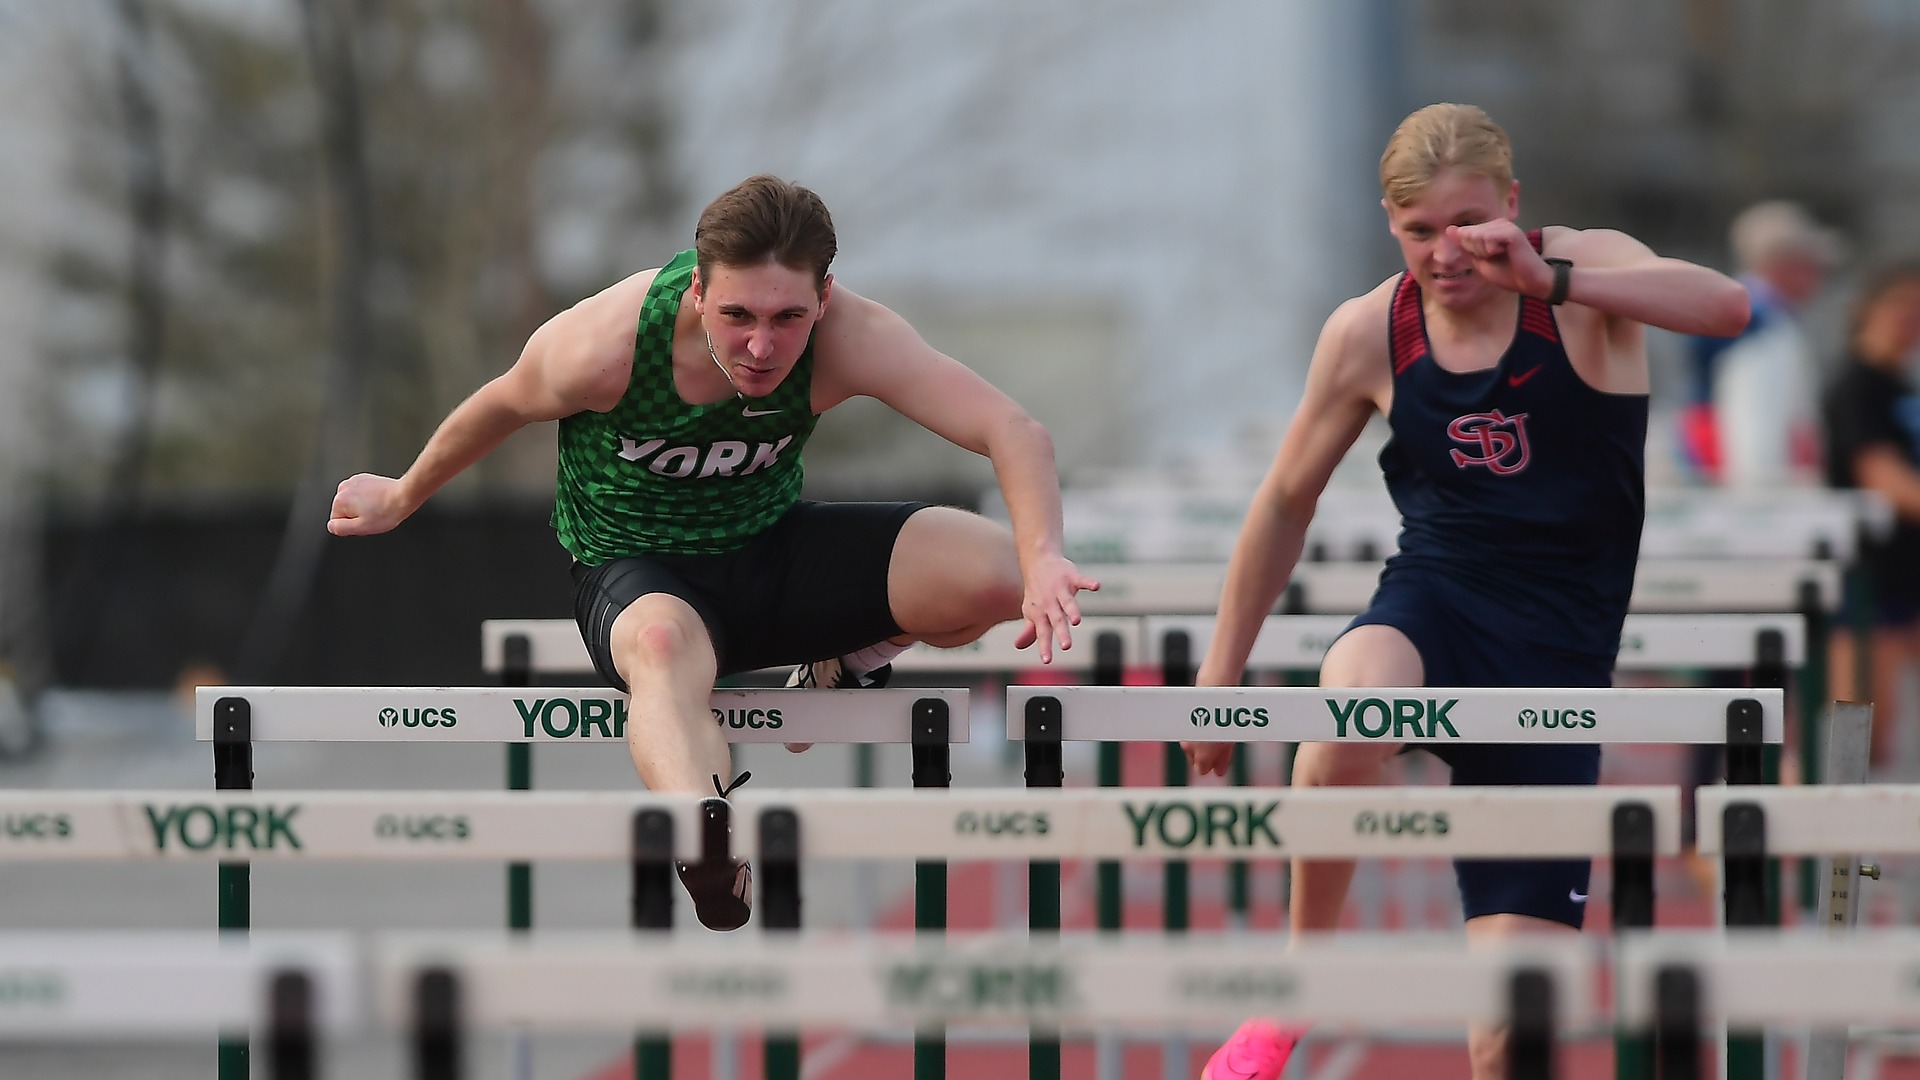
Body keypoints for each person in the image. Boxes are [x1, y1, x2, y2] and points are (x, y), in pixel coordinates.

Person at [328, 175, 1097, 929]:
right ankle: (708, 838)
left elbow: (1013, 431)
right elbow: (498, 404)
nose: (762, 346)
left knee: (999, 569)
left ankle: (842, 660)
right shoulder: (607, 346)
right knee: (662, 643)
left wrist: (1046, 558)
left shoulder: (853, 338)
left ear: (824, 300)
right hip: (640, 574)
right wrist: (402, 494)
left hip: (769, 551)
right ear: (697, 288)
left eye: (788, 317)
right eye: (737, 316)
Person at [1183, 103, 1748, 1080]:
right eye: (1418, 232)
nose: (1447, 254)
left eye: (1468, 225)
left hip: (1555, 661)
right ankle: (1296, 985)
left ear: (1513, 207)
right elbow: (1282, 503)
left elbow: (1728, 310)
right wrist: (1219, 675)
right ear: (1388, 222)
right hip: (1435, 602)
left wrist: (1548, 277)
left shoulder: (1584, 273)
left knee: (1511, 1036)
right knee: (1352, 704)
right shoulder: (1369, 331)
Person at [1823, 263, 1920, 770]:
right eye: (1902, 307)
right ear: (1868, 310)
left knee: (1879, 738)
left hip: (1905, 574)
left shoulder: (1902, 384)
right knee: (1859, 741)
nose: (1912, 320)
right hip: (1865, 581)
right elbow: (1883, 476)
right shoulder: (1857, 384)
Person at [1677, 199, 1840, 487]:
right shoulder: (1760, 326)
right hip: (1755, 490)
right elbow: (1755, 432)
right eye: (1811, 266)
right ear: (1784, 264)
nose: (1819, 279)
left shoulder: (1747, 313)